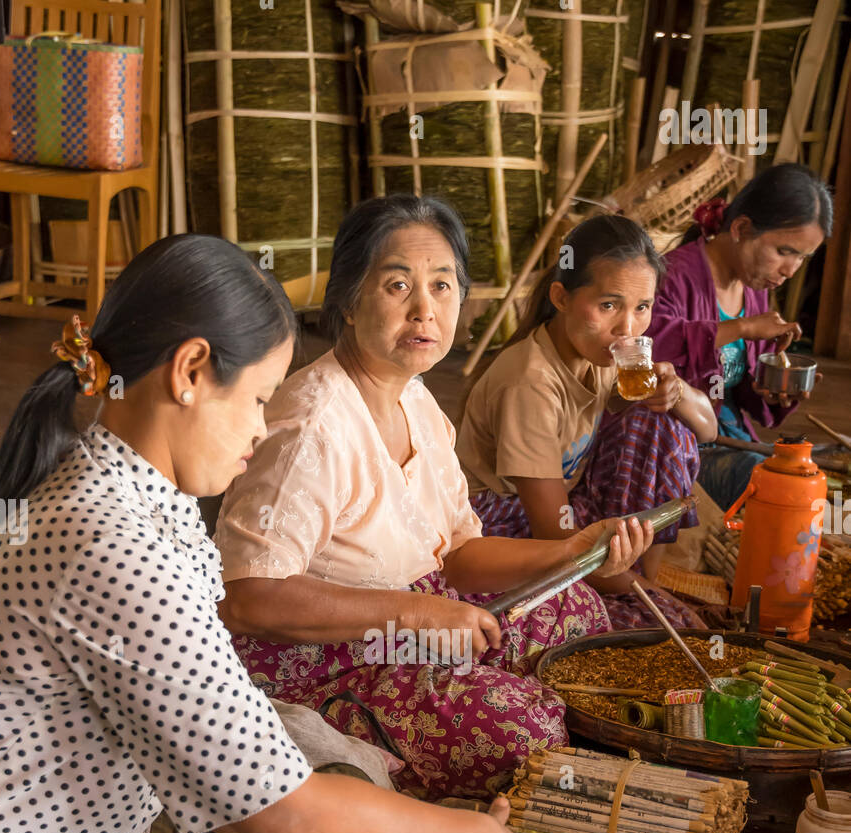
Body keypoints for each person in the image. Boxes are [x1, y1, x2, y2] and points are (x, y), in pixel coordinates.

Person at [0, 233, 544, 833]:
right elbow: (274, 810)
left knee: (339, 831)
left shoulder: (140, 494)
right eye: (256, 401)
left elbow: (239, 749)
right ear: (192, 371)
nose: (260, 431)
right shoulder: (104, 536)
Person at [215, 196, 652, 800]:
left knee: (576, 611)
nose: (425, 309)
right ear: (348, 297)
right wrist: (417, 614)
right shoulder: (313, 425)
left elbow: (460, 553)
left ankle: (480, 698)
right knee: (519, 731)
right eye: (398, 285)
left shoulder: (417, 401)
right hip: (325, 661)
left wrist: (574, 550)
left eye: (443, 286)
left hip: (412, 621)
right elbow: (248, 599)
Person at [457, 215, 717, 631]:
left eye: (642, 307)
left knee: (662, 425)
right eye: (608, 305)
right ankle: (636, 587)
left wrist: (677, 392)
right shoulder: (530, 383)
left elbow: (707, 430)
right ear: (560, 297)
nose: (627, 329)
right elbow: (553, 534)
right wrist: (653, 600)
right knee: (619, 623)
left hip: (563, 510)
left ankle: (639, 577)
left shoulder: (600, 356)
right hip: (502, 528)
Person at [649, 163, 833, 511]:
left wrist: (773, 391)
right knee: (775, 491)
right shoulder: (671, 275)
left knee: (799, 476)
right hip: (672, 445)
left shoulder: (754, 288)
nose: (790, 271)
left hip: (727, 437)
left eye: (802, 258)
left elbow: (735, 389)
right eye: (784, 251)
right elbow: (651, 343)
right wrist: (744, 328)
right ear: (742, 228)